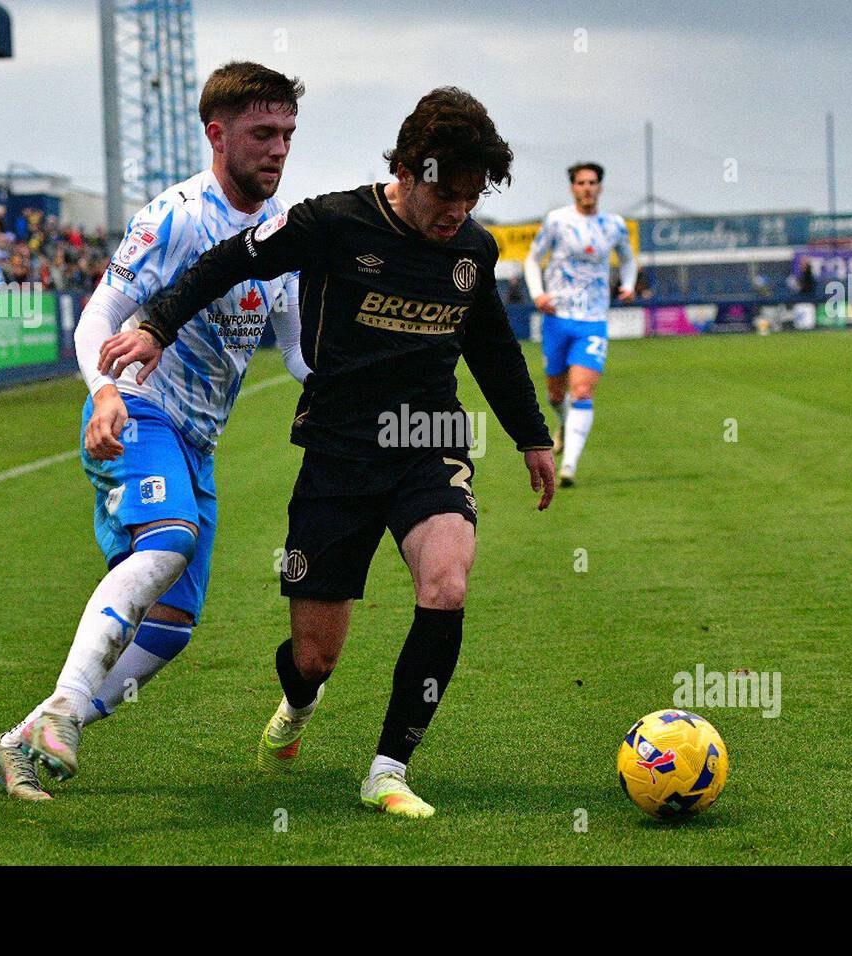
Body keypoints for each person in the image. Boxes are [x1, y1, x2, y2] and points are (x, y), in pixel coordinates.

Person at [98, 86, 556, 818]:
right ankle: (298, 704)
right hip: (340, 452)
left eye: (471, 199)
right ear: (407, 171)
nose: (457, 214)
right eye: (448, 196)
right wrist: (154, 324)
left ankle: (388, 770)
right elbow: (223, 265)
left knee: (446, 584)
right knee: (315, 658)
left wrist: (530, 434)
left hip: (428, 439)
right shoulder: (333, 222)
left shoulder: (472, 248)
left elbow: (491, 344)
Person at [0, 61, 310, 801]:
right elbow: (95, 318)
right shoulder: (176, 216)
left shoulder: (285, 233)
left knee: (169, 629)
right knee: (170, 540)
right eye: (262, 133)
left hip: (198, 440)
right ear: (216, 134)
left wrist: (353, 387)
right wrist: (102, 394)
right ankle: (64, 706)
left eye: (287, 133)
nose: (278, 149)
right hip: (138, 408)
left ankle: (15, 744)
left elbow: (291, 351)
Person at [522, 163, 635, 486]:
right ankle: (564, 421)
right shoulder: (557, 220)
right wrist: (538, 293)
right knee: (555, 395)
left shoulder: (613, 225)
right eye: (581, 182)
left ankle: (569, 465)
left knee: (582, 390)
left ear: (600, 187)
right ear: (573, 188)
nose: (587, 187)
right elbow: (532, 259)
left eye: (593, 182)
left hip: (593, 320)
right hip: (557, 319)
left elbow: (627, 258)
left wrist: (628, 283)